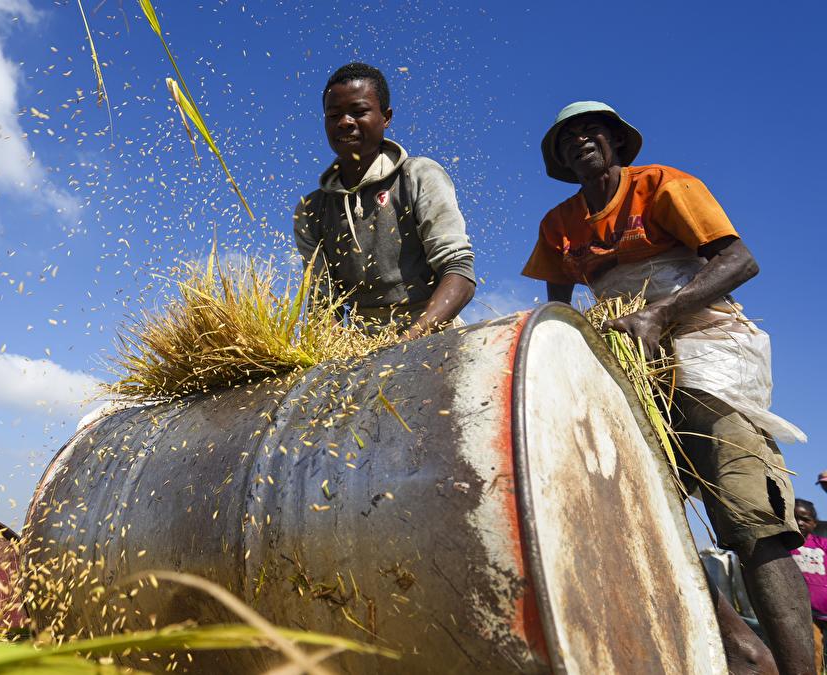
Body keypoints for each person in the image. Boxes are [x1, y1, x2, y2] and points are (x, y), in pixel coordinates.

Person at [521, 100, 812, 673]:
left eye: (593, 132)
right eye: (568, 138)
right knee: (641, 514)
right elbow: (556, 311)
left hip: (704, 345)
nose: (582, 141)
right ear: (559, 157)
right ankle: (743, 652)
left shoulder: (662, 186)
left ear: (616, 143)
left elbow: (739, 259)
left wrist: (662, 313)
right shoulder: (559, 225)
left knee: (749, 518)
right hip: (631, 362)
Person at [293, 62, 475, 339]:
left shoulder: (418, 175)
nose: (345, 122)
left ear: (386, 117)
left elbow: (459, 273)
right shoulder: (311, 210)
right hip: (358, 348)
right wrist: (342, 355)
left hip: (433, 335)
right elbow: (322, 304)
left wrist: (405, 345)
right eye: (334, 115)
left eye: (359, 112)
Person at [792, 499, 827, 669]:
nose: (800, 523)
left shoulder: (823, 545)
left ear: (814, 523)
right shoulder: (785, 546)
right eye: (795, 517)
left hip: (825, 607)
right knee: (815, 648)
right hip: (805, 611)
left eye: (805, 519)